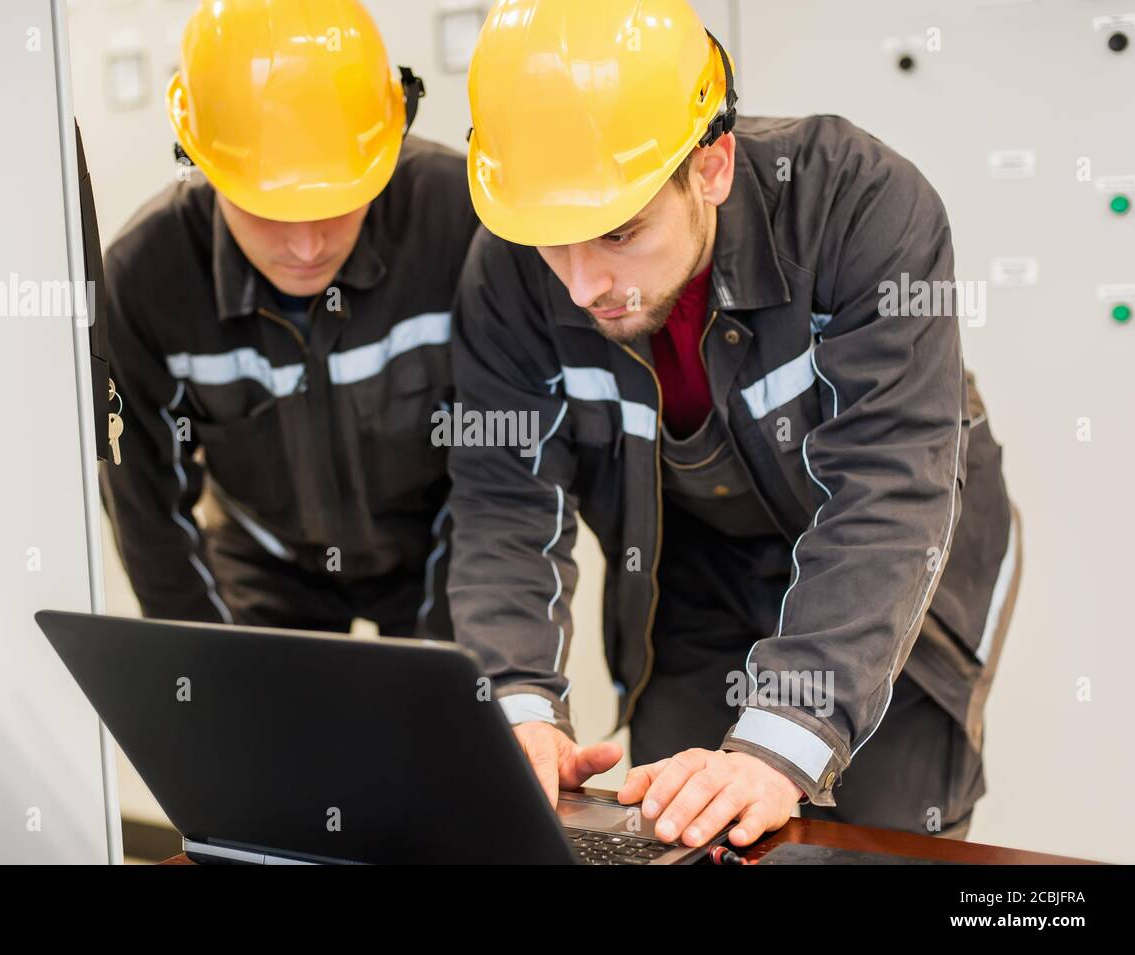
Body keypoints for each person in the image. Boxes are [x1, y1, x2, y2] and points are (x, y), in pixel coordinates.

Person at [447, 0, 1020, 846]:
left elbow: (890, 492)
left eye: (617, 231)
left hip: (894, 558)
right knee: (681, 830)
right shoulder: (504, 273)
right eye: (550, 240)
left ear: (710, 166)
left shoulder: (861, 206)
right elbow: (504, 507)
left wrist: (776, 748)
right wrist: (519, 710)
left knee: (882, 831)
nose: (579, 284)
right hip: (696, 563)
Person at [102, 0, 476, 639]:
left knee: (453, 729)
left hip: (444, 545)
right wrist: (207, 673)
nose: (307, 248)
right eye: (269, 209)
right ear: (206, 166)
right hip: (264, 566)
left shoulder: (457, 223)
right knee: (240, 731)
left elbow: (502, 463)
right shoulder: (145, 280)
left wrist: (453, 662)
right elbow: (149, 517)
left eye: (336, 202)